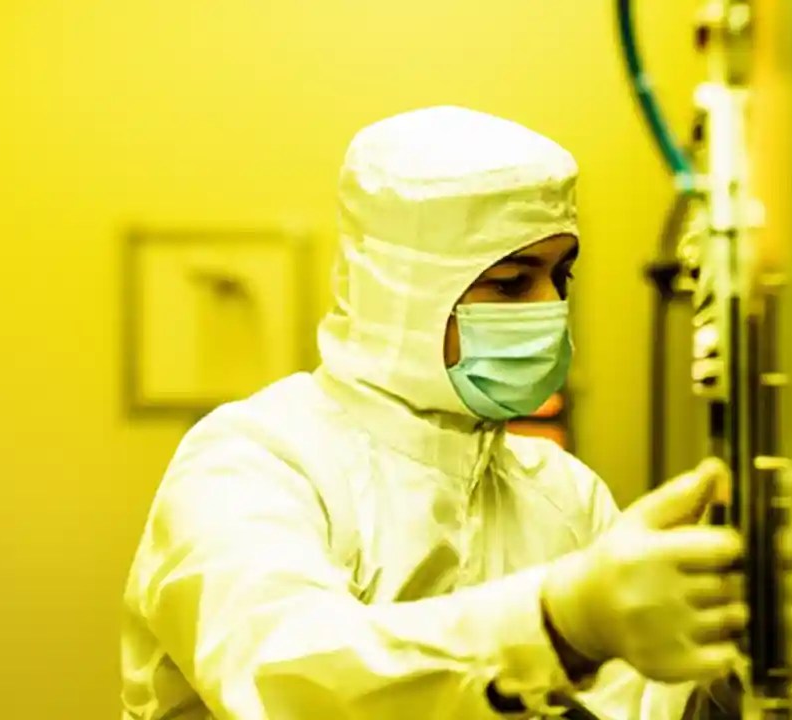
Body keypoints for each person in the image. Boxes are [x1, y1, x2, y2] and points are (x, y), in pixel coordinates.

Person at [121, 106, 748, 719]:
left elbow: (629, 704)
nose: (550, 307)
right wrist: (556, 625)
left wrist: (724, 667)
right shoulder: (253, 461)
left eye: (562, 276)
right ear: (405, 292)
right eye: (510, 283)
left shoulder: (562, 493)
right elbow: (292, 680)